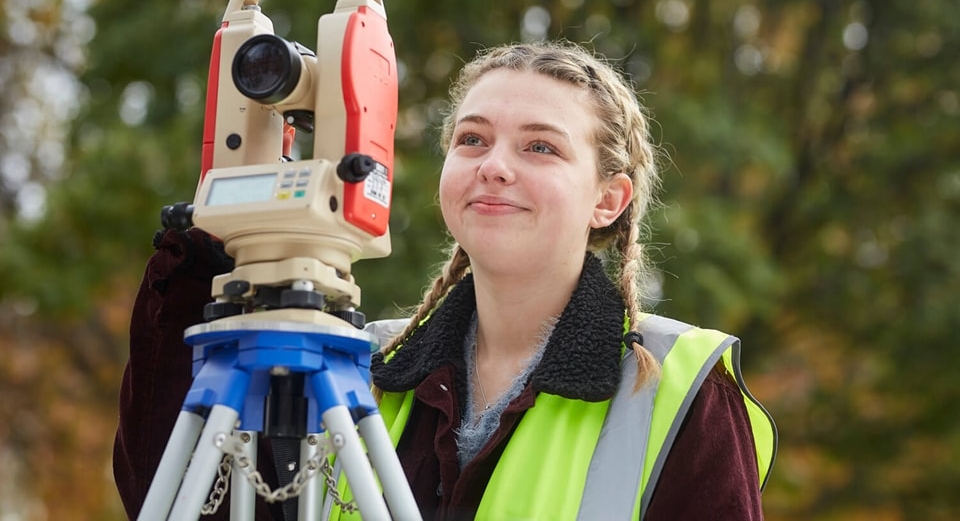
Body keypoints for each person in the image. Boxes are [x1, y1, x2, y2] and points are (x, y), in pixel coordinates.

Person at [114, 40, 776, 520]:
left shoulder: (680, 391)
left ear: (609, 199)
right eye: (472, 140)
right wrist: (203, 278)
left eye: (540, 146)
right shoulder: (361, 368)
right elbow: (180, 501)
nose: (493, 166)